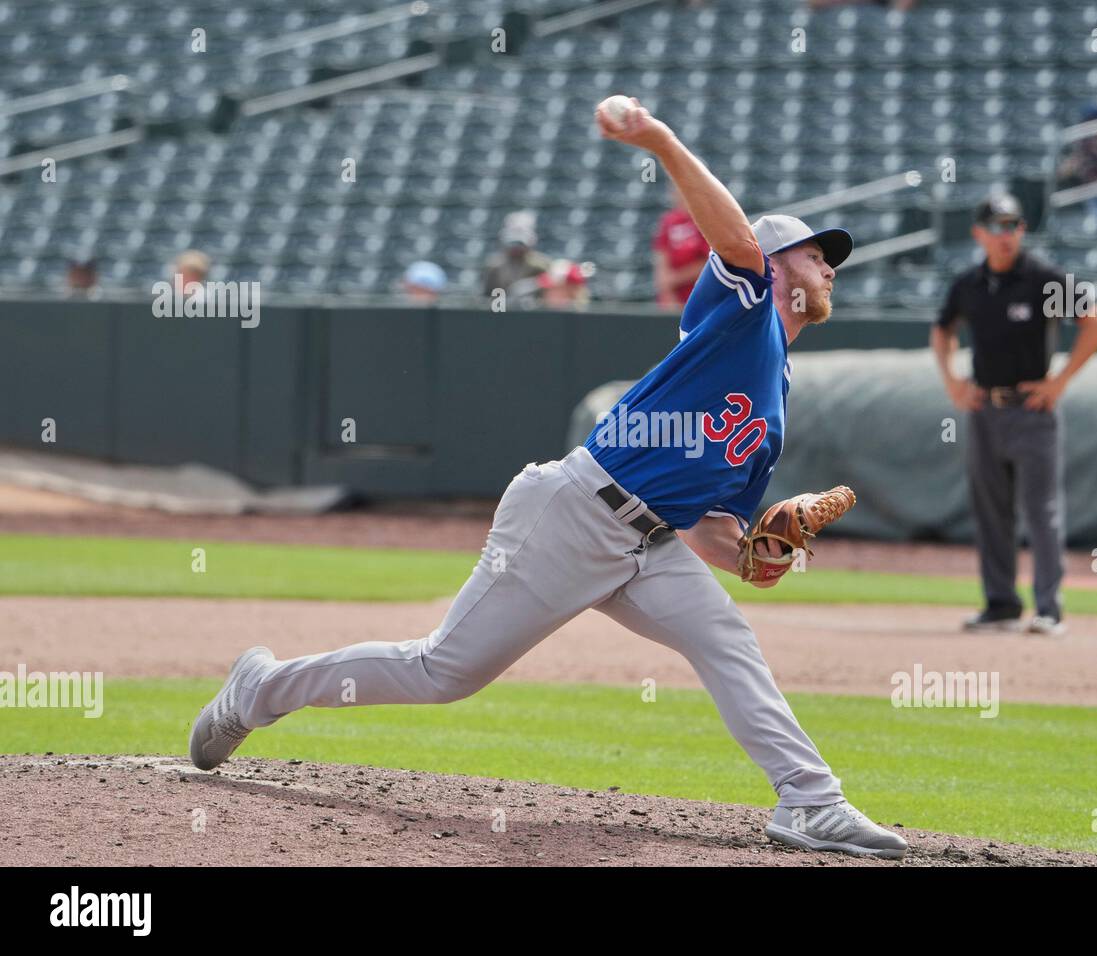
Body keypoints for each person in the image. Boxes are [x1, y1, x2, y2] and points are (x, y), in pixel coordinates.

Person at [189, 95, 908, 860]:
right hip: (573, 512)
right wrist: (658, 138)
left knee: (728, 638)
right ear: (772, 265)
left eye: (830, 257)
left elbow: (712, 528)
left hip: (652, 543)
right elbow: (731, 236)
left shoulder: (777, 397)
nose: (828, 263)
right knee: (443, 673)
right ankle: (258, 689)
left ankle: (810, 802)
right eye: (812, 252)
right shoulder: (745, 310)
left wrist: (764, 555)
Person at [930, 194, 1097, 638]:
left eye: (1012, 225)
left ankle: (1048, 608)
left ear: (1022, 230)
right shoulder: (969, 284)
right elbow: (942, 329)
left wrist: (1061, 380)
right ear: (978, 234)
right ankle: (1000, 605)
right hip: (985, 411)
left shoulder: (1041, 278)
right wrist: (953, 381)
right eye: (995, 226)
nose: (1005, 235)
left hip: (1032, 411)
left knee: (1041, 511)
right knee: (991, 512)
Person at [653, 183, 711, 308]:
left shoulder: (706, 219)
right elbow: (661, 256)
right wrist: (666, 290)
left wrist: (674, 279)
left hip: (699, 297)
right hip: (673, 299)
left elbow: (709, 261)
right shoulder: (669, 220)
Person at [480, 211, 551, 302]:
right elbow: (486, 297)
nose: (516, 248)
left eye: (520, 245)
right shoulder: (494, 266)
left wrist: (533, 285)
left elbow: (549, 295)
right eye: (513, 244)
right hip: (500, 311)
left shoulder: (542, 265)